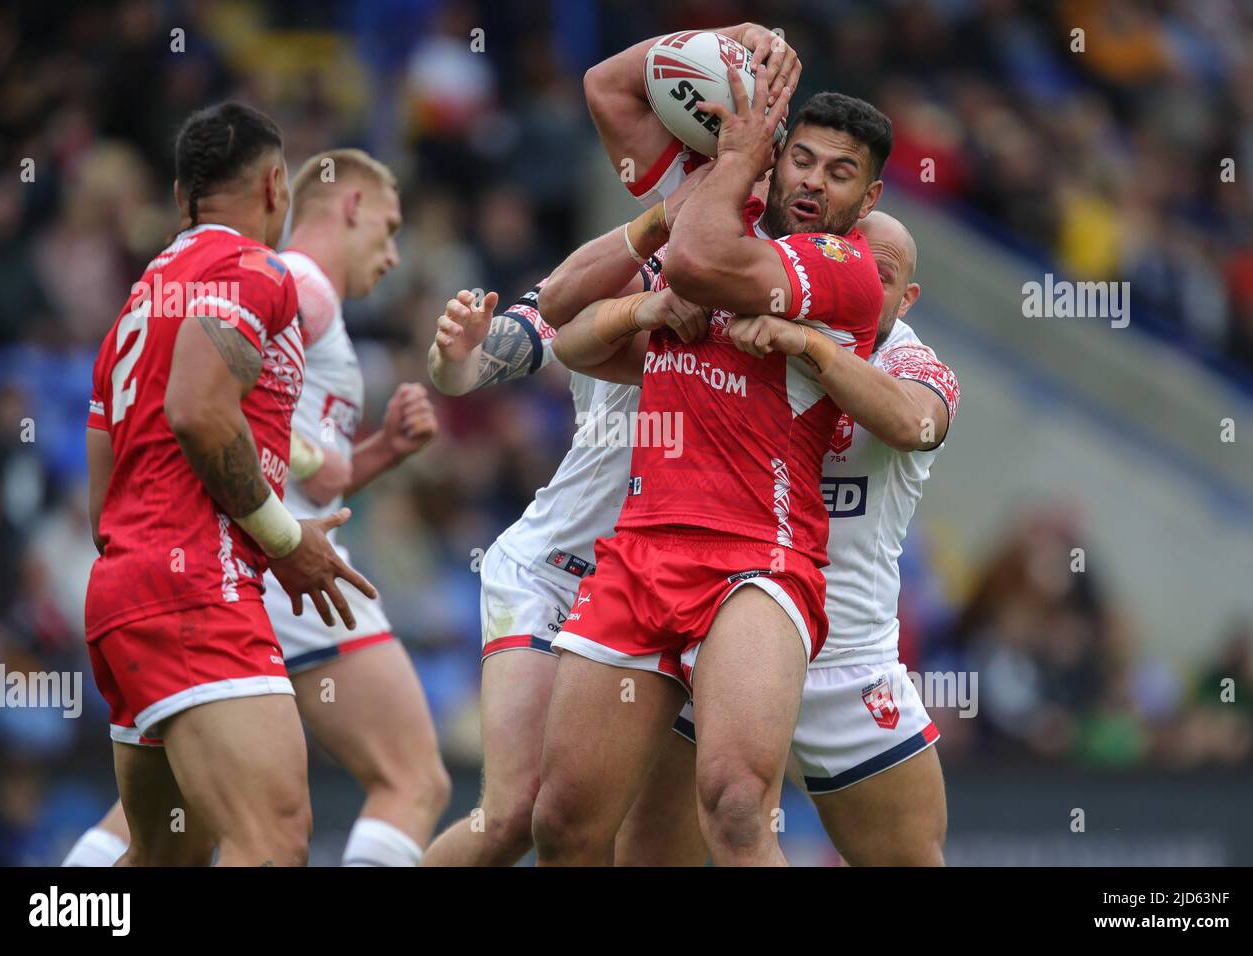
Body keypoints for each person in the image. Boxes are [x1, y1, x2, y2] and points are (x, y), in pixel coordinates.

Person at [419, 21, 799, 868]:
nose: (763, 173)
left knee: (653, 842)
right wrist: (727, 34)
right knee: (515, 815)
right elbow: (518, 335)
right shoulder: (636, 262)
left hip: (687, 581)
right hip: (562, 564)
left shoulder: (780, 280)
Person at [531, 64, 891, 864]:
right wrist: (646, 307)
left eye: (840, 174)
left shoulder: (843, 269)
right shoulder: (721, 235)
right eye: (800, 159)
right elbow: (569, 335)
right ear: (779, 157)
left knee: (733, 805)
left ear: (864, 204)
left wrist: (734, 161)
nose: (812, 183)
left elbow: (695, 261)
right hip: (639, 550)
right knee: (561, 823)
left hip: (759, 561)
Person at [66, 148, 449, 868]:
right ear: (351, 206)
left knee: (171, 836)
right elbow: (203, 400)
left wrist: (377, 454)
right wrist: (301, 484)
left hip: (210, 562)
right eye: (389, 228)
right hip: (255, 563)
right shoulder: (291, 279)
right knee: (404, 780)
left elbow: (264, 433)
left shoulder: (221, 287)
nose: (394, 256)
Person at [567, 211, 957, 866]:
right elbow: (577, 335)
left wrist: (809, 348)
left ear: (907, 296)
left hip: (846, 663)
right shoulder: (743, 331)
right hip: (726, 630)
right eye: (849, 259)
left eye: (881, 273)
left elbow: (915, 422)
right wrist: (654, 305)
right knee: (653, 853)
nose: (860, 276)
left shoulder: (910, 362)